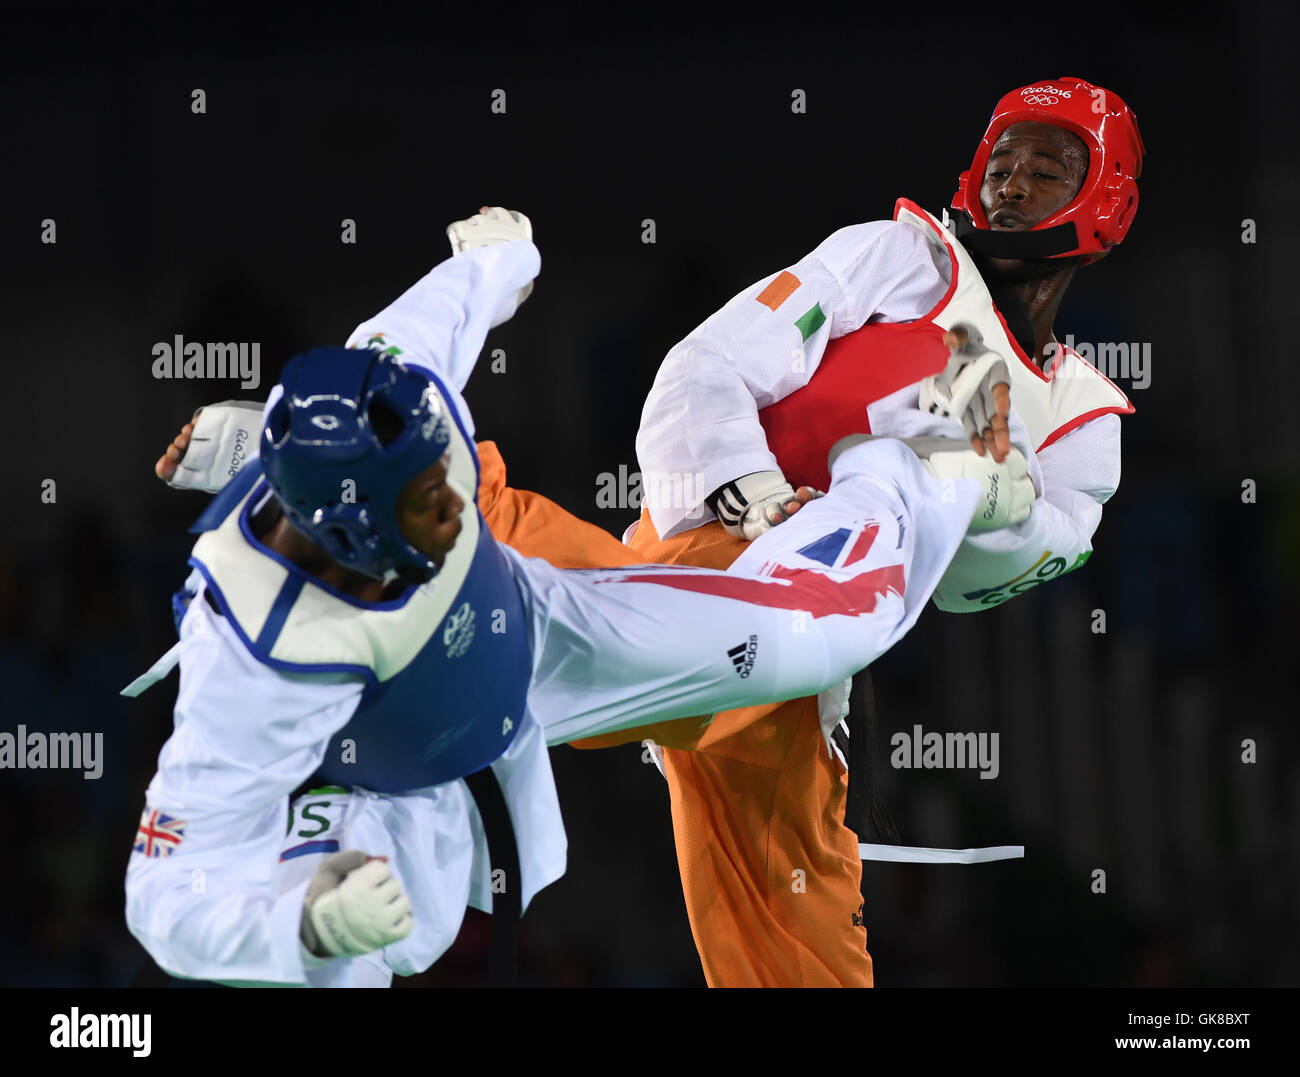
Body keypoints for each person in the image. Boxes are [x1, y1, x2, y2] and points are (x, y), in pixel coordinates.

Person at [126, 207, 1004, 987]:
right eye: (425, 498)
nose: (446, 494)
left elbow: (446, 305)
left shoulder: (395, 386)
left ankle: (933, 449)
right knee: (360, 945)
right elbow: (162, 896)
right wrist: (301, 927)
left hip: (536, 622)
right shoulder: (247, 661)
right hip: (381, 755)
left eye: (440, 468)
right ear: (351, 528)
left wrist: (501, 257)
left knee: (818, 632)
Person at [597, 76, 1145, 986]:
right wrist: (762, 497)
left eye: (1047, 170)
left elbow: (975, 584)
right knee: (944, 397)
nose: (1010, 185)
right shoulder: (900, 259)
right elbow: (704, 368)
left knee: (798, 954)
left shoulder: (1085, 420)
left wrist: (1001, 489)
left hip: (810, 656)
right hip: (702, 557)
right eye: (1000, 163)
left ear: (1106, 202)